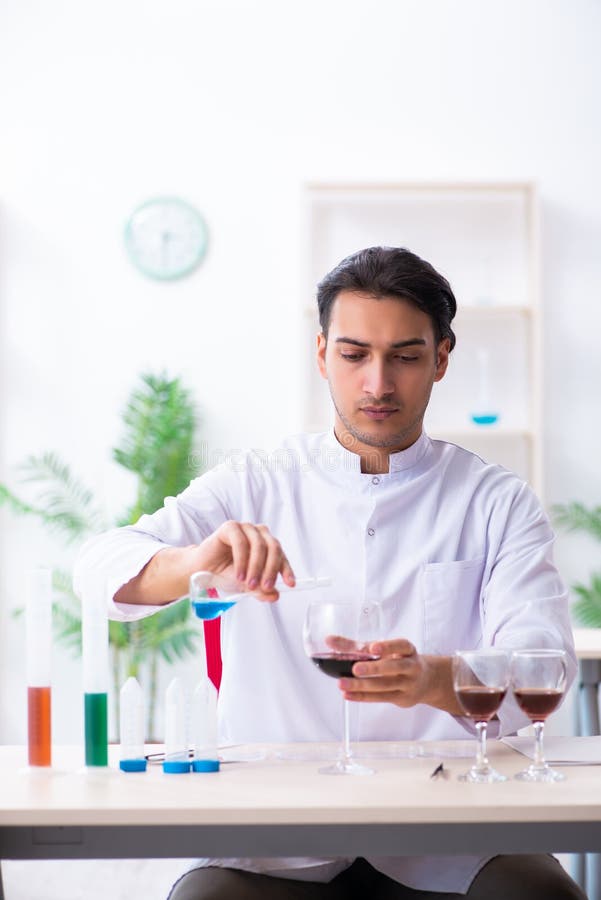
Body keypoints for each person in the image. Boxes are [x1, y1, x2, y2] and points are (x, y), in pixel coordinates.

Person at [74, 246, 583, 899]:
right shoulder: (255, 482)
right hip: (272, 834)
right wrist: (194, 562)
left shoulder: (494, 500)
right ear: (321, 356)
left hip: (453, 828)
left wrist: (435, 677)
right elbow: (97, 571)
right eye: (353, 355)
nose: (377, 383)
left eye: (403, 355)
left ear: (441, 359)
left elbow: (542, 665)